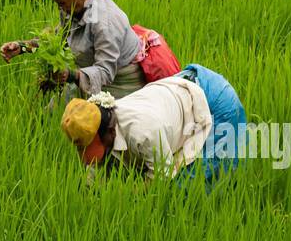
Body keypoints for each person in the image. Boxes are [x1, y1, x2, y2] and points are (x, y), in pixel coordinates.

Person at [0, 0, 180, 100]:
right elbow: (58, 41)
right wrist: (23, 47)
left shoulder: (105, 23)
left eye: (61, 2)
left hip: (119, 81)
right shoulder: (72, 8)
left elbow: (105, 71)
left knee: (99, 127)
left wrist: (70, 75)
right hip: (86, 73)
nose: (58, 7)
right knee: (55, 115)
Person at [61, 74, 212, 181]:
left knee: (186, 187)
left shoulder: (143, 132)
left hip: (203, 103)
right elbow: (96, 171)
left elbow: (163, 175)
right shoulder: (103, 120)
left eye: (86, 147)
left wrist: (130, 195)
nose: (82, 157)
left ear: (104, 135)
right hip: (170, 90)